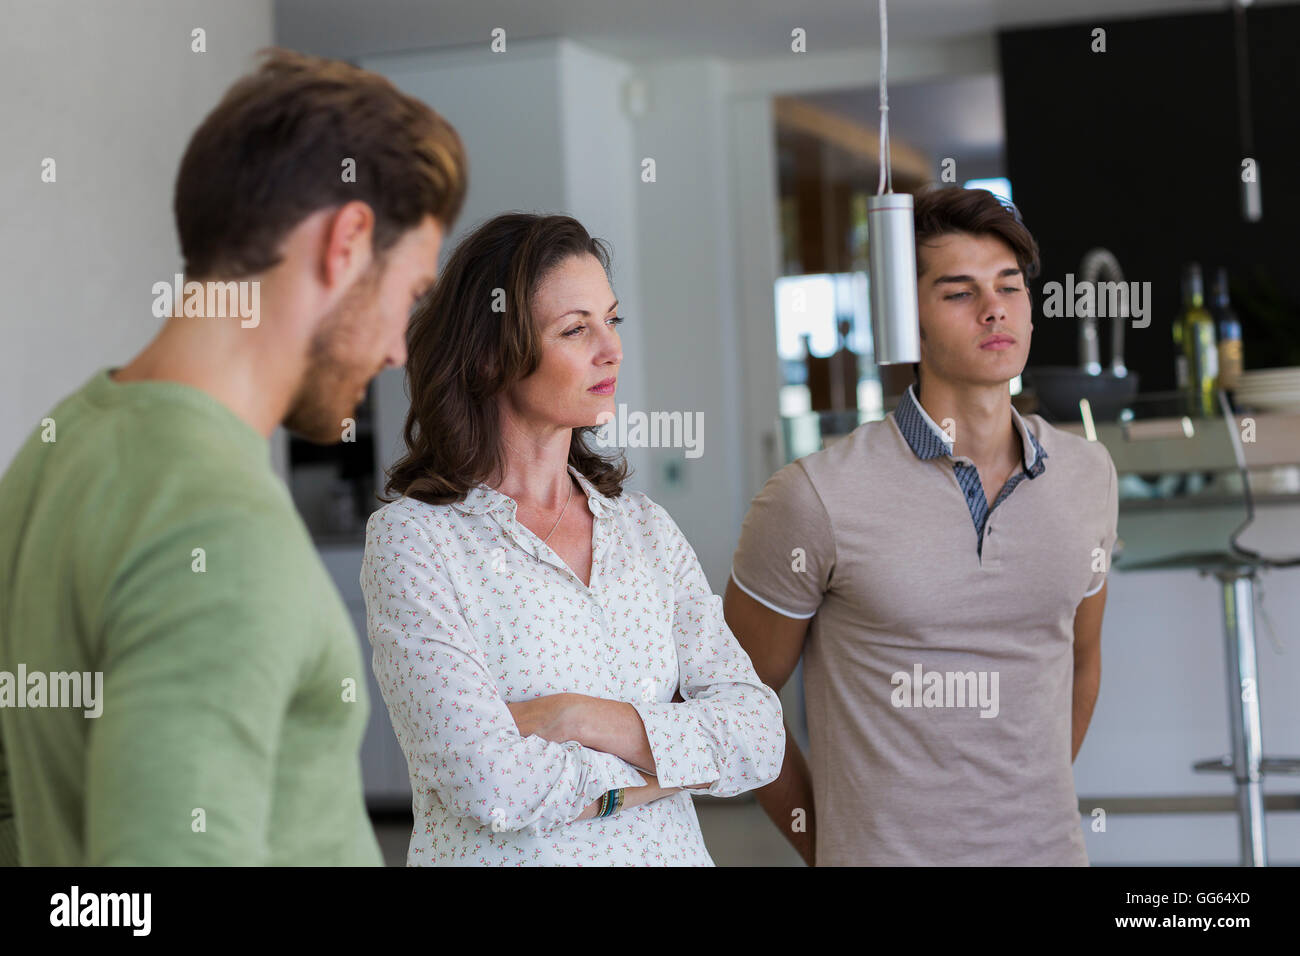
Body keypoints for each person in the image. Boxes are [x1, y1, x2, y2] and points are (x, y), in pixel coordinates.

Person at [0, 47, 467, 865]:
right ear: (348, 242)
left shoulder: (54, 451)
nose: (400, 348)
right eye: (413, 294)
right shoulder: (221, 532)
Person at [361, 212, 784, 866]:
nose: (610, 349)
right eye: (575, 329)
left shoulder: (644, 527)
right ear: (489, 354)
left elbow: (757, 736)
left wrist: (575, 718)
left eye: (611, 322)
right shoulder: (415, 541)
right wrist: (668, 766)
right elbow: (490, 784)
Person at [725, 186, 1119, 866]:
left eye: (1009, 286)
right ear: (909, 322)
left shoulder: (1089, 475)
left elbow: (1082, 661)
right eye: (959, 292)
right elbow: (733, 699)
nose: (995, 308)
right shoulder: (814, 497)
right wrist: (825, 843)